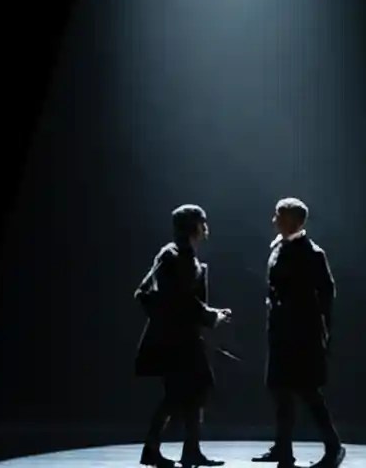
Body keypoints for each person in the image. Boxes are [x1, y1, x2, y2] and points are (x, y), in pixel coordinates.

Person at [135, 204, 233, 468]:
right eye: (203, 222)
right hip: (176, 341)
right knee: (178, 395)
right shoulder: (175, 256)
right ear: (194, 226)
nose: (206, 227)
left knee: (191, 394)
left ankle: (188, 450)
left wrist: (209, 315)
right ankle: (154, 449)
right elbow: (181, 300)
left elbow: (180, 299)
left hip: (183, 339)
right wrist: (212, 316)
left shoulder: (181, 255)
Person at [252, 198, 344, 468]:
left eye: (278, 216)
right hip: (282, 331)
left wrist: (322, 330)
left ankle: (333, 446)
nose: (274, 220)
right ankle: (283, 448)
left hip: (302, 333)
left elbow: (327, 292)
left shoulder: (311, 252)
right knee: (281, 391)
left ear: (292, 220)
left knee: (308, 391)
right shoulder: (280, 247)